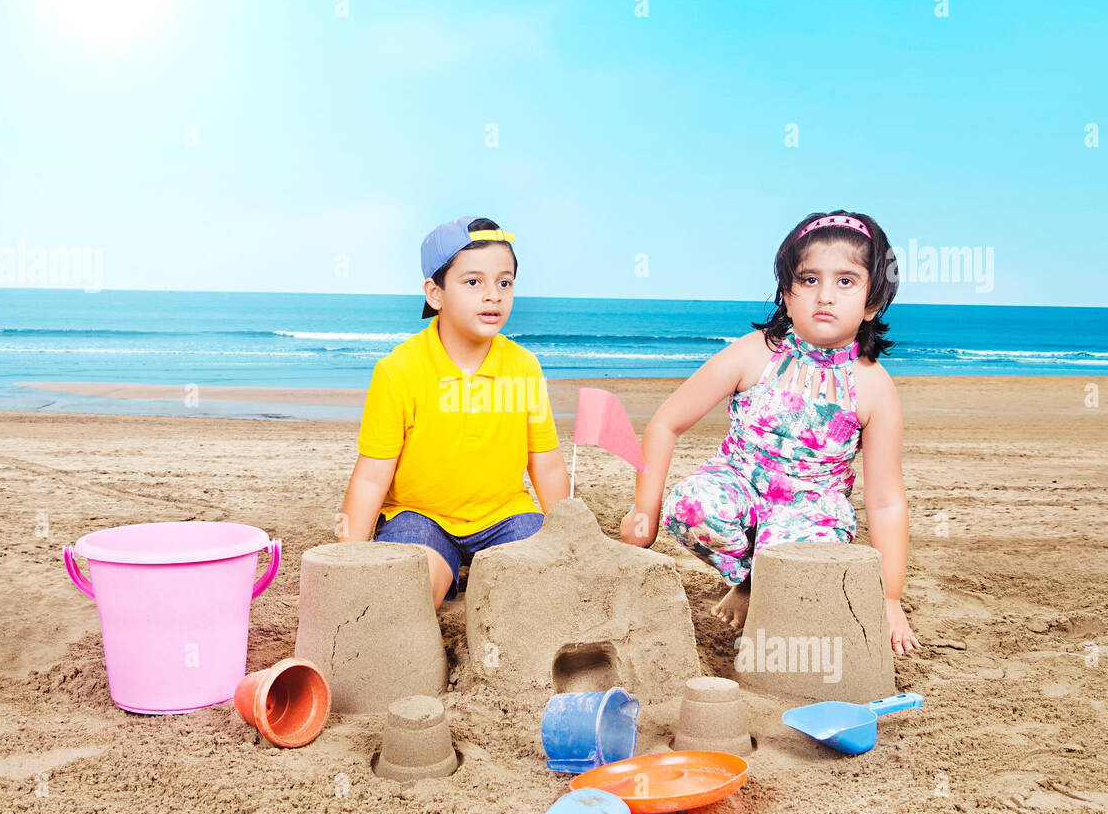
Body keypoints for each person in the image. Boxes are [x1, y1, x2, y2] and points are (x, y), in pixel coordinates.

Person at [620, 210, 921, 655]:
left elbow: (886, 500)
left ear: (873, 302)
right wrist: (643, 515)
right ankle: (745, 578)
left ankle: (758, 588)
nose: (825, 295)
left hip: (810, 509)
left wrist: (891, 599)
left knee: (801, 568)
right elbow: (667, 422)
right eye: (809, 279)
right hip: (740, 485)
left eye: (845, 281)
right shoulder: (755, 353)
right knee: (690, 505)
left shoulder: (873, 386)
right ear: (787, 292)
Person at [340, 216, 570, 608]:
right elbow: (370, 479)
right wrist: (345, 565)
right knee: (410, 592)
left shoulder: (523, 367)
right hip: (420, 517)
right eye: (473, 282)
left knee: (539, 588)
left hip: (506, 515)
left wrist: (571, 537)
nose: (493, 295)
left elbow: (545, 465)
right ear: (435, 293)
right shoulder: (399, 371)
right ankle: (445, 573)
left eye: (505, 282)